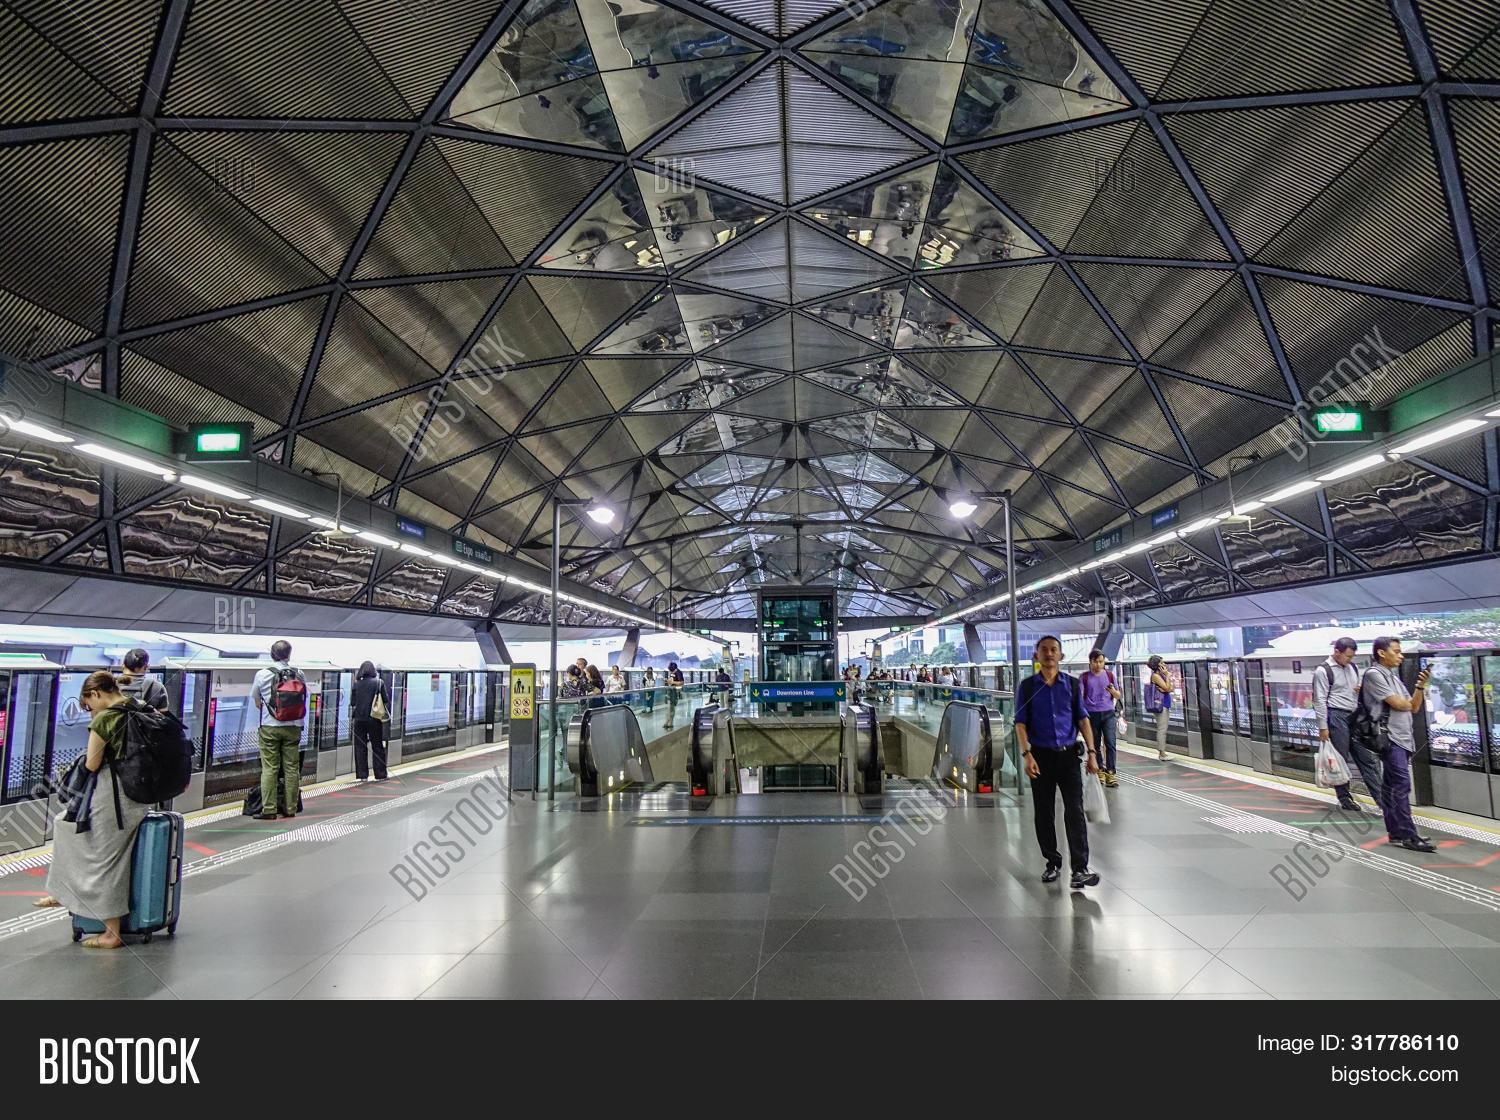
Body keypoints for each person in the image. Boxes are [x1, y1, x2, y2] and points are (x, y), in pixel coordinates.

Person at [33, 672, 153, 948]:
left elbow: (92, 763)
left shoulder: (106, 718)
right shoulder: (137, 706)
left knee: (106, 859)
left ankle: (112, 933)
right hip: (136, 794)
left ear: (96, 693)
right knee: (66, 826)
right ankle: (64, 891)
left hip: (114, 799)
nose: (89, 711)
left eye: (88, 705)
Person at [1015, 636, 1100, 888]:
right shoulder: (1028, 687)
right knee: (1044, 812)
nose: (1049, 654)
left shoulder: (1072, 686)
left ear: (1061, 656)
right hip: (1040, 757)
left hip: (1069, 757)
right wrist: (1026, 754)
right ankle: (1052, 862)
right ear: (1036, 656)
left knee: (1074, 811)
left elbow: (1083, 720)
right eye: (1044, 650)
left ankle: (1080, 869)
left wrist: (1093, 752)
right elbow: (1020, 723)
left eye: (1054, 650)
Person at [1362, 637, 1435, 853]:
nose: (1401, 655)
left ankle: (1395, 831)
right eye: (1397, 651)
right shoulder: (1374, 675)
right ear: (1381, 653)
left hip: (1402, 738)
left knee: (1391, 786)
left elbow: (1413, 707)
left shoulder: (1392, 678)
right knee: (1402, 786)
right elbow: (1399, 704)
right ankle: (1408, 835)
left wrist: (1420, 686)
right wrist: (1409, 701)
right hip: (1391, 738)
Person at [1313, 637, 1382, 813]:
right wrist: (1323, 727)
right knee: (1340, 759)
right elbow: (1319, 700)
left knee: (1367, 757)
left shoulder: (1353, 668)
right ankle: (1344, 798)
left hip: (1354, 716)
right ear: (1337, 652)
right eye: (1347, 656)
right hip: (1335, 716)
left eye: (1352, 657)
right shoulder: (1323, 671)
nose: (1350, 660)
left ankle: (1383, 800)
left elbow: (1353, 692)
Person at [251, 640, 306, 821]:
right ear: (289, 655)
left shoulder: (262, 675)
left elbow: (257, 701)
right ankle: (290, 808)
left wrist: (275, 714)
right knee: (291, 768)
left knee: (270, 769)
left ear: (272, 655)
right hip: (294, 727)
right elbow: (304, 697)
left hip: (270, 727)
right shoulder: (299, 674)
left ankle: (269, 810)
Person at [1081, 650, 1122, 787]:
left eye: (1101, 662)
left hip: (1108, 713)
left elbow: (1118, 696)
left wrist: (1112, 691)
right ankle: (1100, 770)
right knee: (1095, 744)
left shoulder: (1110, 675)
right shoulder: (1084, 677)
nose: (1099, 664)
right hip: (1091, 714)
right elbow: (1080, 696)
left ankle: (1111, 772)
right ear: (1090, 662)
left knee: (1110, 743)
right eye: (1096, 661)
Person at [349, 661, 390, 782]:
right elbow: (385, 700)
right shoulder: (379, 683)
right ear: (373, 671)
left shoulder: (357, 684)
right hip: (374, 718)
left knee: (360, 747)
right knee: (377, 746)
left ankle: (362, 775)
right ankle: (380, 774)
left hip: (359, 719)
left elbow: (353, 702)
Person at [1146, 655, 1173, 761]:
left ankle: (1163, 752)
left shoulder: (1160, 675)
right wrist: (1167, 676)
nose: (1164, 665)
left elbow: (1169, 688)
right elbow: (1167, 687)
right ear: (1157, 665)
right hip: (1160, 705)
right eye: (1162, 663)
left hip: (1165, 704)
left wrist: (1167, 688)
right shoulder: (1156, 676)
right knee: (1162, 729)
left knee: (1163, 728)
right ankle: (1162, 753)